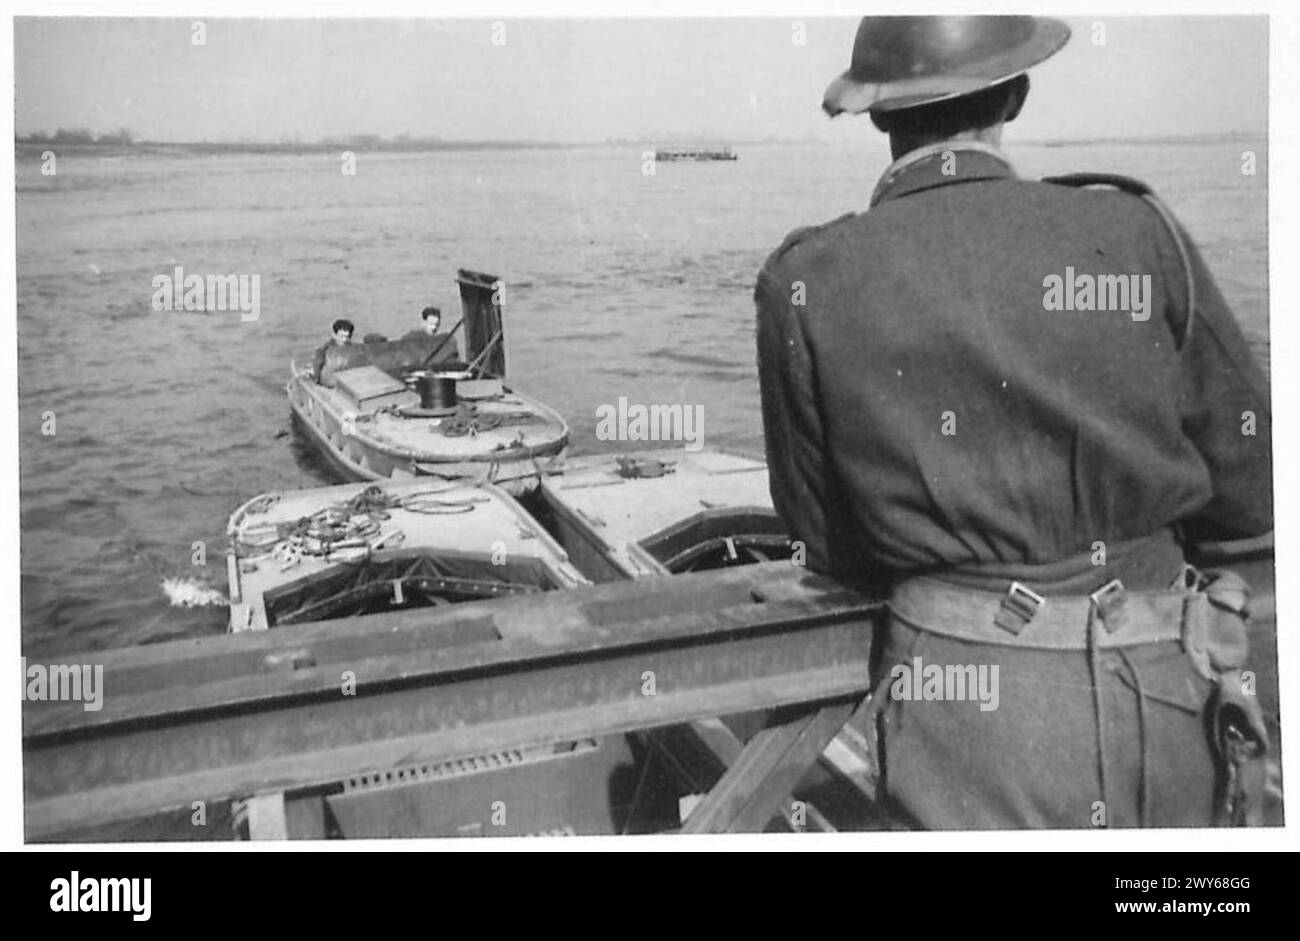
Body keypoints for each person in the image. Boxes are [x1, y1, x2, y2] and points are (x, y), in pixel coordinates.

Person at [754, 16, 1273, 828]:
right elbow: (1252, 485)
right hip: (1167, 689)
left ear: (878, 117)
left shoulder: (809, 277)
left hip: (966, 715)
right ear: (1018, 96)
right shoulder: (1135, 231)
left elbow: (823, 537)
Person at [312, 318, 354, 383]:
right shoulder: (324, 348)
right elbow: (317, 365)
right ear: (334, 334)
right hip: (330, 380)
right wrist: (316, 379)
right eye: (341, 336)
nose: (344, 339)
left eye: (346, 337)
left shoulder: (351, 346)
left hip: (347, 379)